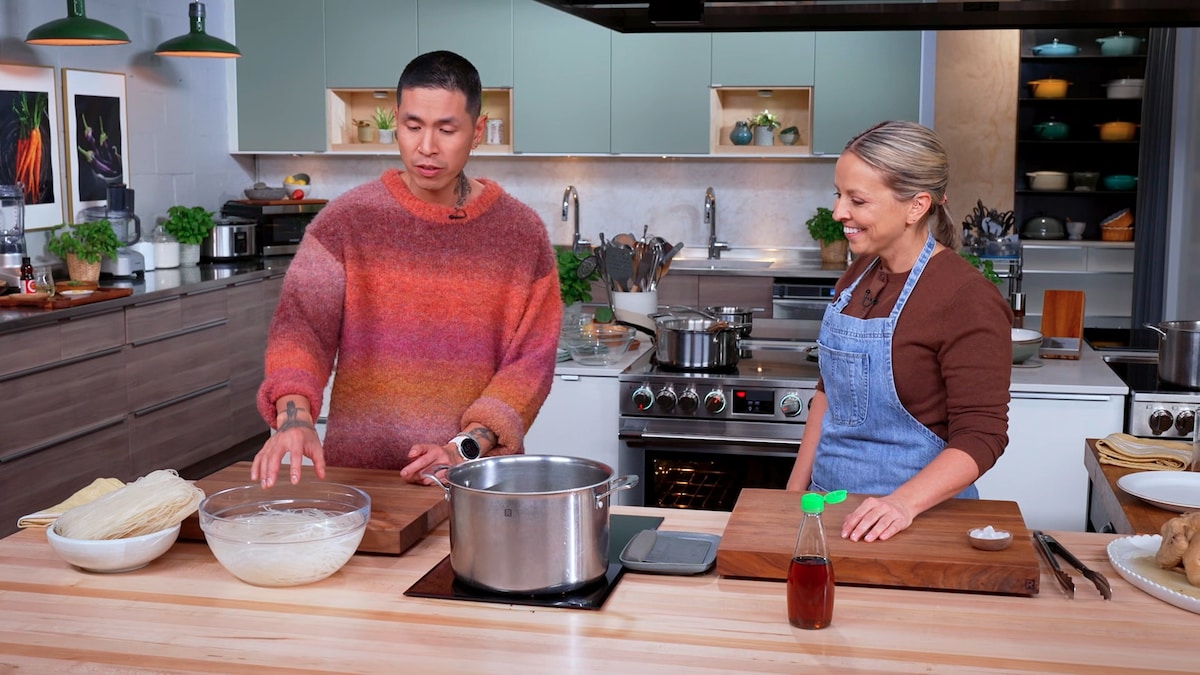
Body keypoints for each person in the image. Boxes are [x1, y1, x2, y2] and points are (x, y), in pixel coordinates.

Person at [251, 50, 562, 488]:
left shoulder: (521, 233)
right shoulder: (346, 221)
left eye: (446, 129)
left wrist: (463, 446)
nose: (426, 147)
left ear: (476, 132)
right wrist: (294, 416)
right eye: (413, 126)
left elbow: (530, 365)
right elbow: (301, 330)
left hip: (474, 482)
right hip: (359, 482)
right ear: (395, 121)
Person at [786, 120, 1012, 543]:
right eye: (838, 194)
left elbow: (982, 436)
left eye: (858, 200)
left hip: (919, 524)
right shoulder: (857, 274)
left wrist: (901, 504)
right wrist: (794, 492)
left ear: (916, 206)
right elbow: (827, 391)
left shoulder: (966, 297)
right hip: (829, 513)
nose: (839, 213)